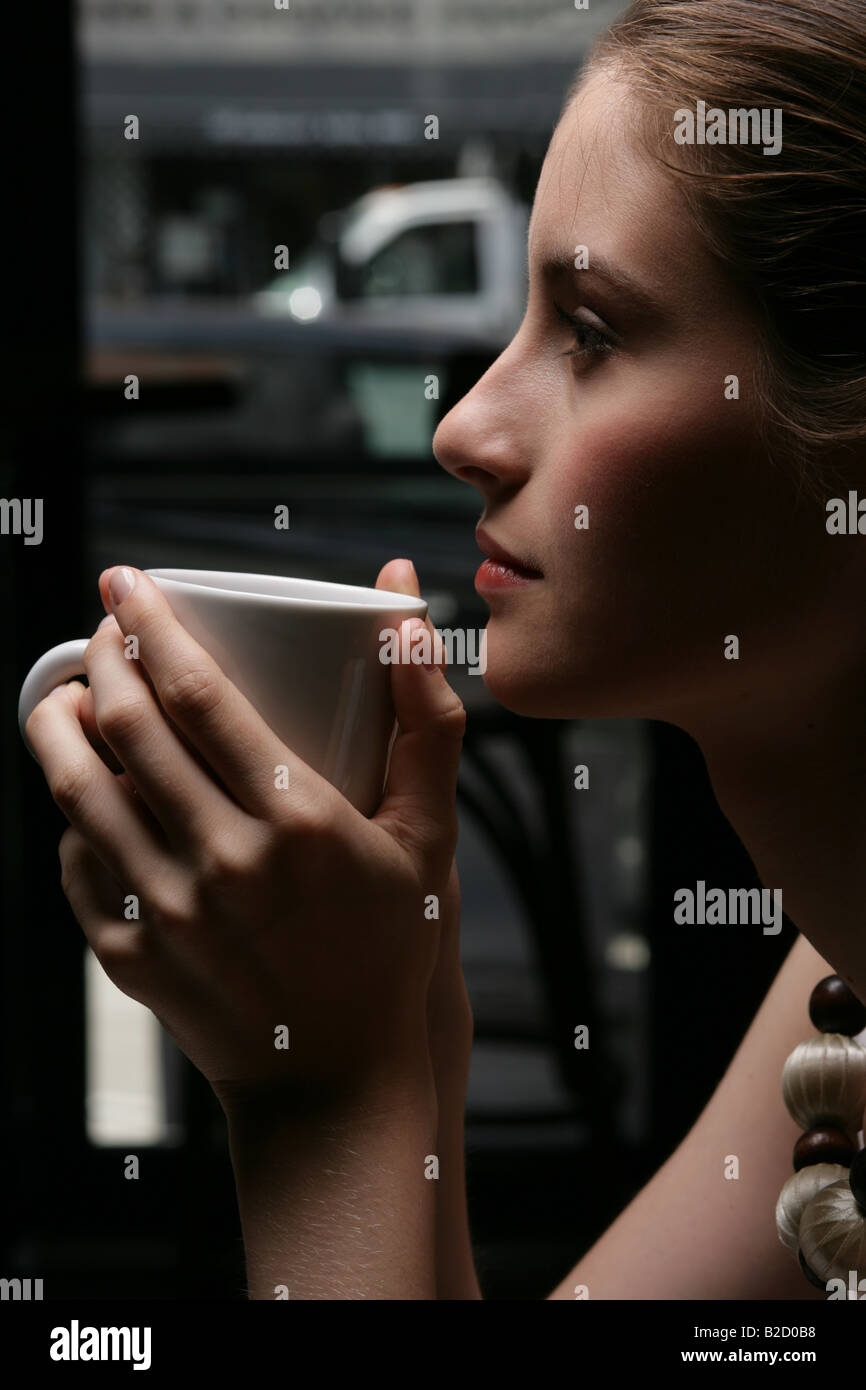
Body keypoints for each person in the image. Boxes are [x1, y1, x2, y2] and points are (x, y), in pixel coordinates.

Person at [25, 0, 866, 1298]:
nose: (463, 425)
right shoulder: (835, 1002)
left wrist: (318, 1092)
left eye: (589, 332)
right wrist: (405, 1030)